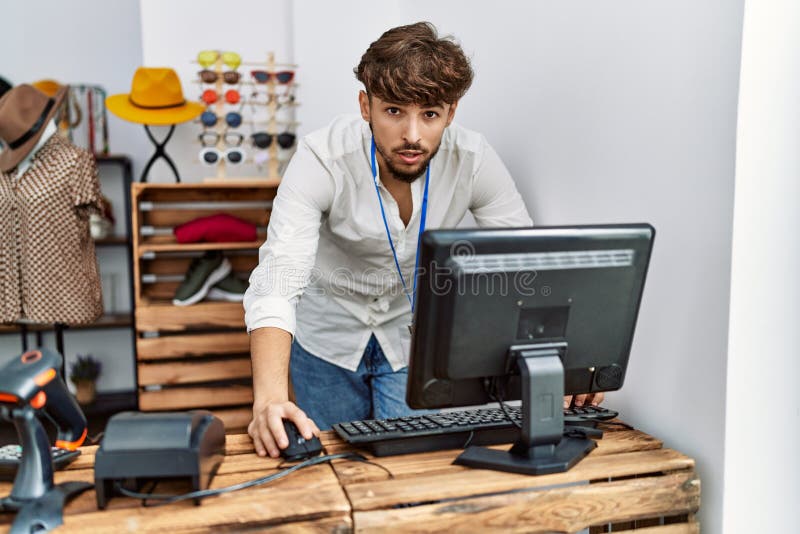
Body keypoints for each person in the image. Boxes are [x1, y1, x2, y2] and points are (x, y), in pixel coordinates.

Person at [244, 21, 602, 458]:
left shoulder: (473, 160)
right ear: (365, 105)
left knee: (414, 471)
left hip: (409, 341)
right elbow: (278, 277)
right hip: (326, 340)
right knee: (340, 471)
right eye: (394, 111)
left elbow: (522, 263)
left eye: (429, 114)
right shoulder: (322, 159)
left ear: (450, 113)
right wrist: (268, 398)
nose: (412, 134)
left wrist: (567, 369)